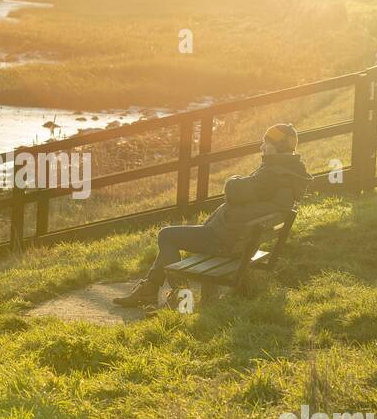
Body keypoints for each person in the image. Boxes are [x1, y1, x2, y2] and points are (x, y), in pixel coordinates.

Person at [113, 123, 313, 308]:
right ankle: (149, 289)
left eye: (266, 143)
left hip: (225, 242)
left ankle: (181, 294)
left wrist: (234, 178)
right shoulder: (289, 174)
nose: (262, 147)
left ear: (277, 146)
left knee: (166, 235)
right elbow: (248, 196)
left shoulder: (272, 175)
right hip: (240, 241)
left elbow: (234, 190)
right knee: (173, 237)